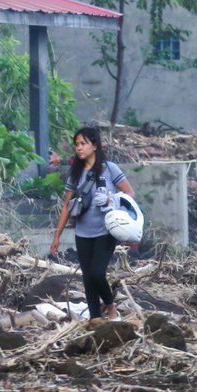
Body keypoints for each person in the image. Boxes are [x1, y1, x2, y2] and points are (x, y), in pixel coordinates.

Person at [49, 126, 136, 322]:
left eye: (83, 144)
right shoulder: (76, 173)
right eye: (77, 144)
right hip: (83, 233)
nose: (79, 148)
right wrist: (57, 235)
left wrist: (111, 199)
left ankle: (111, 306)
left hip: (106, 231)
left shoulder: (110, 168)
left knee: (98, 273)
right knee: (88, 278)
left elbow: (130, 194)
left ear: (94, 145)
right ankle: (95, 318)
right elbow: (66, 206)